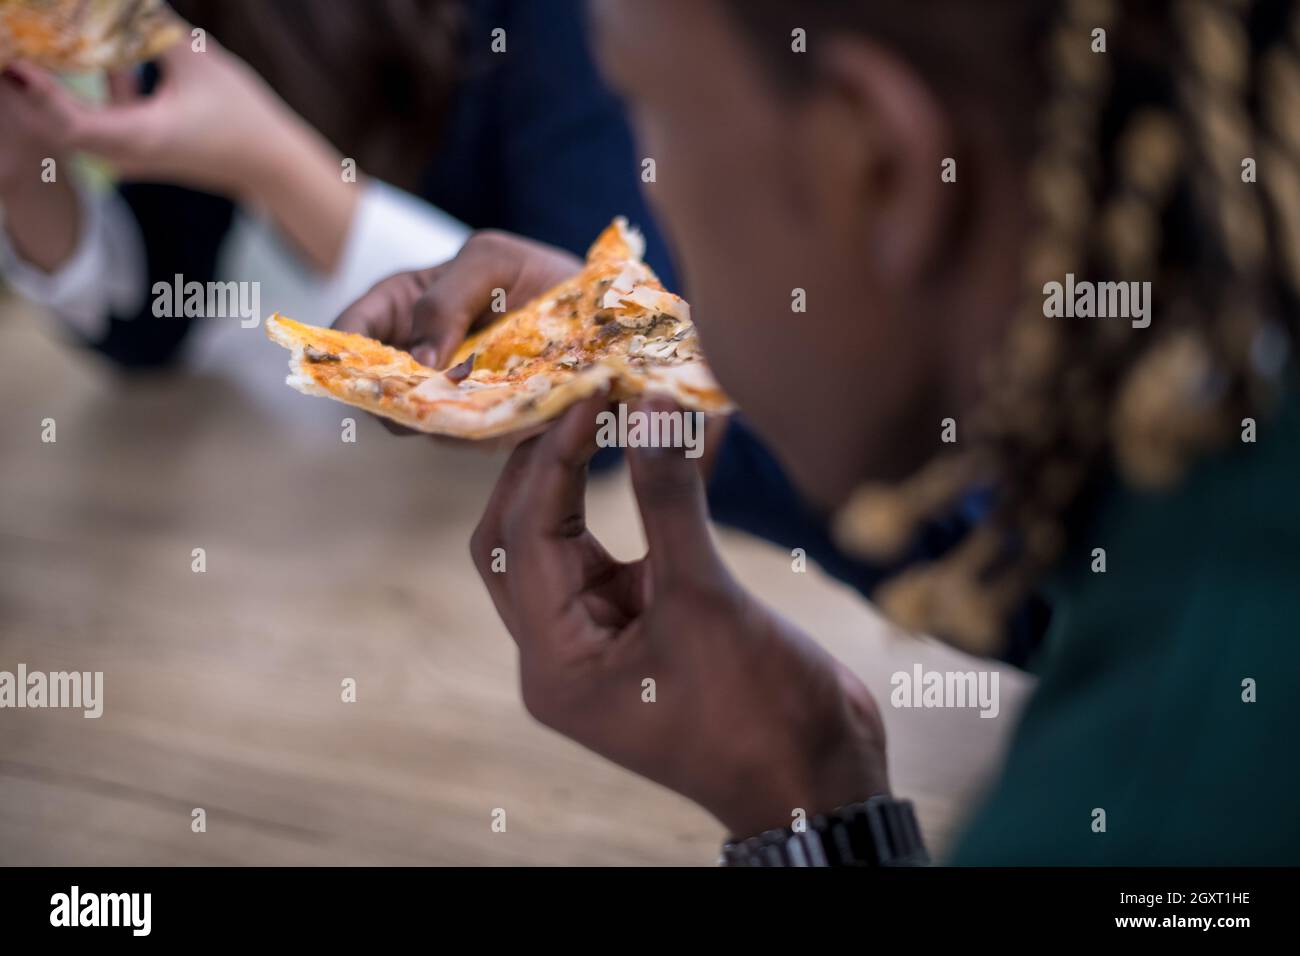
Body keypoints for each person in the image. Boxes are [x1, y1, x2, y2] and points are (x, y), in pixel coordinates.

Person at [334, 0, 1300, 864]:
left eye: (644, 107)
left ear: (875, 164)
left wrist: (806, 817)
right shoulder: (1218, 473)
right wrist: (658, 359)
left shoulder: (1148, 799)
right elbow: (1057, 592)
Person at [0, 0, 676, 369]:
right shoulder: (214, 20)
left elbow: (606, 361)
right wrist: (26, 166)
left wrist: (270, 161)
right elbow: (149, 322)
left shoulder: (554, 23)